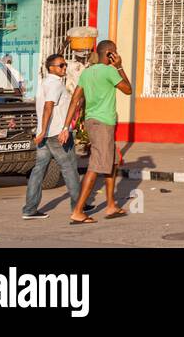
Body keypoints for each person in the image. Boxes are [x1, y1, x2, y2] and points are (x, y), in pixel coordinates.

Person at [64, 40, 132, 225]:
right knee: (95, 166)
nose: (116, 55)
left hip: (92, 121)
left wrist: (66, 126)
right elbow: (128, 89)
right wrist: (120, 67)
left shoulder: (87, 72)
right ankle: (78, 211)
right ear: (110, 53)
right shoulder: (110, 70)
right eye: (115, 52)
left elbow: (75, 99)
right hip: (103, 124)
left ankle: (111, 204)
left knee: (112, 163)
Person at [22, 53, 83, 219]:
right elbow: (48, 107)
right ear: (51, 68)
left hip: (45, 134)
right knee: (70, 169)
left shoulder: (44, 83)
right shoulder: (55, 84)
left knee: (38, 170)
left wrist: (41, 131)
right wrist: (46, 131)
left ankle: (29, 209)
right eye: (61, 65)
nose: (64, 68)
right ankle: (78, 207)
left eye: (65, 65)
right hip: (57, 134)